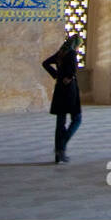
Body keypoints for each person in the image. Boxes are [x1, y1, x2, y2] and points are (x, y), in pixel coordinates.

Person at [42, 35, 83, 163]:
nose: (78, 48)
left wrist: (57, 76)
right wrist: (68, 77)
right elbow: (72, 71)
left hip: (59, 89)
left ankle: (58, 154)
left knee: (61, 121)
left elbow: (46, 63)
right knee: (77, 118)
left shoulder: (61, 53)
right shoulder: (71, 54)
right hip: (70, 90)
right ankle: (61, 146)